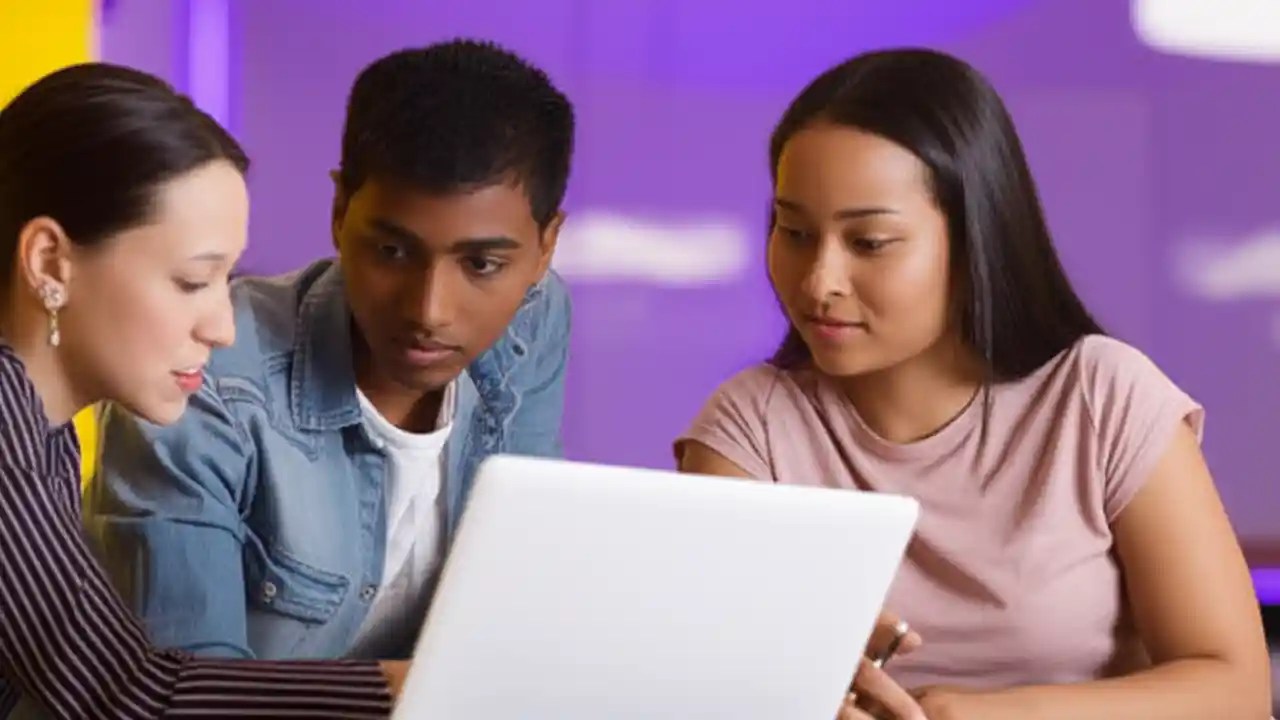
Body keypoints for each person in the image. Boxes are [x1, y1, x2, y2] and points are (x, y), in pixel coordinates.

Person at [675, 48, 1271, 720]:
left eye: (869, 242)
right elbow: (708, 688)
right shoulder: (750, 429)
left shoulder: (1104, 397)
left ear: (974, 238)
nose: (819, 282)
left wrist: (985, 715)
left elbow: (1237, 692)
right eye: (794, 232)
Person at [86, 39, 574, 662]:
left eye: (482, 264)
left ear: (545, 246)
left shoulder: (533, 318)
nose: (429, 311)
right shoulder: (201, 367)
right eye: (392, 251)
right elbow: (184, 691)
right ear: (340, 211)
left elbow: (519, 584)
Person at [0, 63, 405, 719]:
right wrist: (399, 691)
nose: (221, 327)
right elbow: (128, 695)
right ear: (50, 261)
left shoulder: (39, 433)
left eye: (228, 280)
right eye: (192, 281)